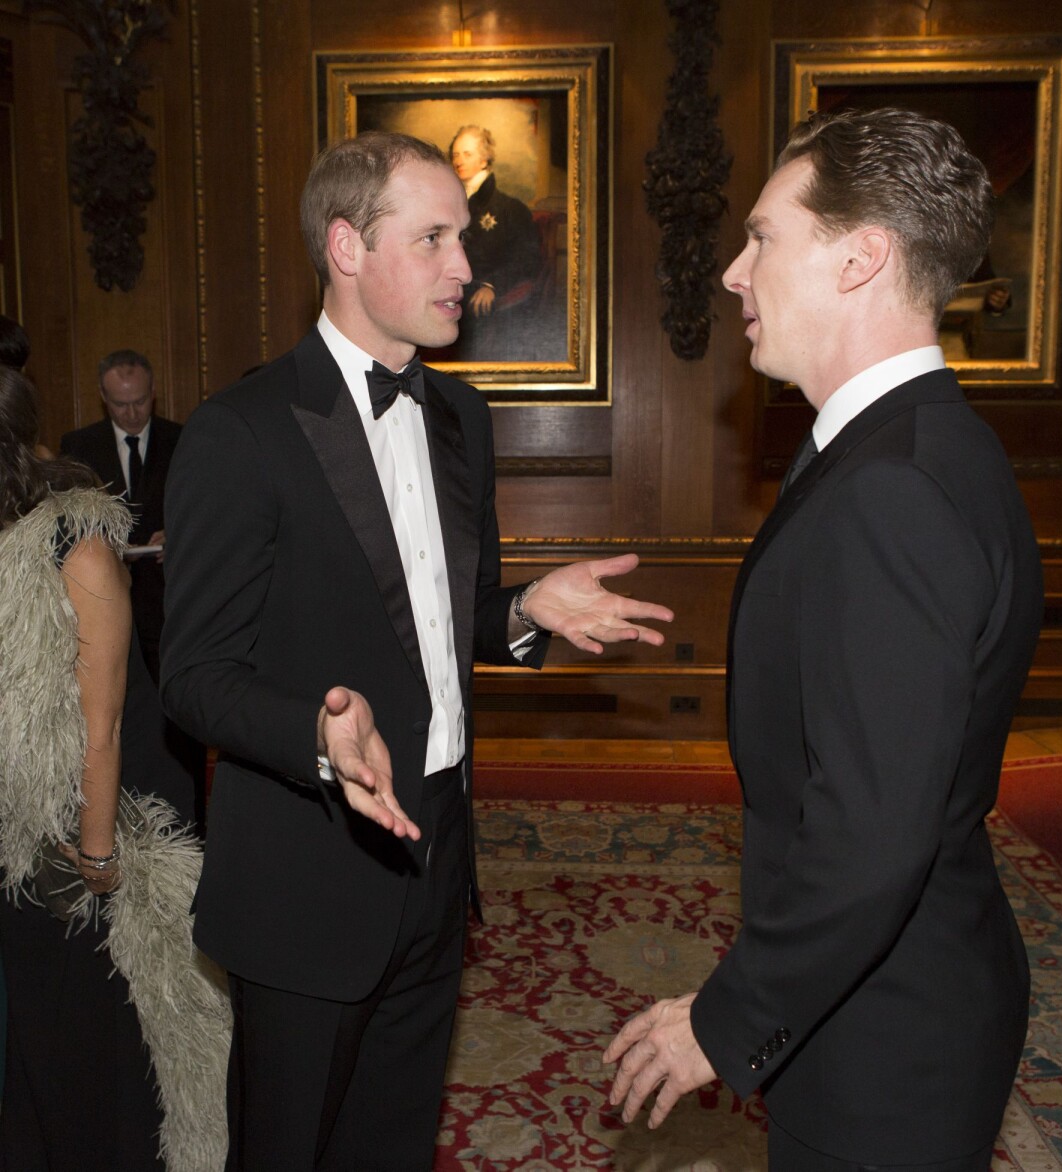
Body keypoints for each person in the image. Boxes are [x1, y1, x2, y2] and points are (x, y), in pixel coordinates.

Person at [160, 130, 672, 1171]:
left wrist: (528, 607)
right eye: (433, 237)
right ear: (347, 247)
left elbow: (448, 619)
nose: (464, 265)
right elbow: (194, 676)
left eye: (463, 236)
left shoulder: (460, 419)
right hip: (310, 873)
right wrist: (315, 729)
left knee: (391, 1145)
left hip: (437, 855)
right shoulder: (239, 430)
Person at [605, 107, 1043, 1170]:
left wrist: (722, 1018)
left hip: (892, 1040)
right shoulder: (913, 441)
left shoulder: (893, 486)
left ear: (862, 257)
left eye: (763, 237)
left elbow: (874, 833)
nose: (731, 272)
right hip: (891, 996)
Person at [0, 368, 226, 1170]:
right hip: (13, 814)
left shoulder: (73, 538)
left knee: (85, 1018)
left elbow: (103, 721)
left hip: (85, 811)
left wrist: (96, 859)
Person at [60, 350, 182, 685]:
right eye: (119, 404)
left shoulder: (183, 439)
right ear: (102, 397)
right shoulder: (78, 447)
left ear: (154, 391)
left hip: (167, 603)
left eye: (140, 402)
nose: (131, 413)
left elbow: (206, 511)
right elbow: (68, 524)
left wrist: (178, 535)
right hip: (105, 601)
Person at [447, 124, 542, 360]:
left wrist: (492, 286)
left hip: (487, 304)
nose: (459, 160)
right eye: (456, 155)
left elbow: (527, 259)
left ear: (484, 159)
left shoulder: (511, 209)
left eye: (467, 154)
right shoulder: (447, 204)